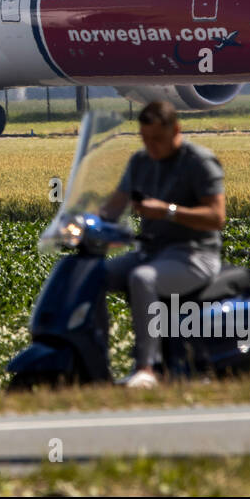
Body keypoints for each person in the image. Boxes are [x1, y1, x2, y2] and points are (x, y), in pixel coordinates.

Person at [96, 99, 227, 389]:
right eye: (145, 139)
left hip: (195, 254)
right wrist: (86, 224)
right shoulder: (140, 162)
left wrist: (168, 211)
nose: (151, 146)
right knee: (93, 276)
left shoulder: (199, 162)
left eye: (157, 139)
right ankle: (94, 363)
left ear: (176, 130)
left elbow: (216, 217)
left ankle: (148, 368)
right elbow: (114, 206)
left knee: (143, 279)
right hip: (152, 251)